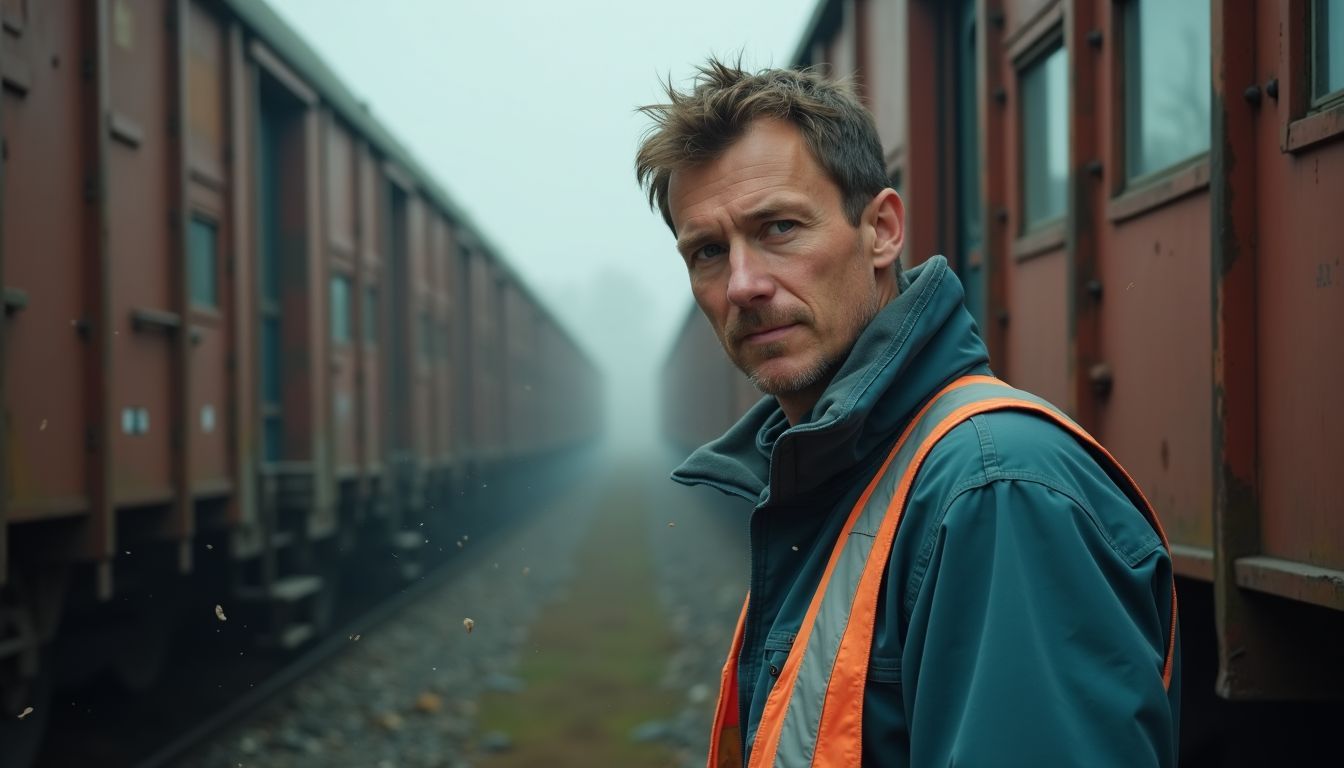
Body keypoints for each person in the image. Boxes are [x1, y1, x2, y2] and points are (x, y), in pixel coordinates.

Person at [635, 59, 1180, 767]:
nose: (743, 284)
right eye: (708, 251)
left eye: (779, 228)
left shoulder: (995, 490)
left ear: (883, 230)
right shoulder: (830, 477)